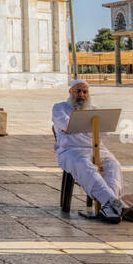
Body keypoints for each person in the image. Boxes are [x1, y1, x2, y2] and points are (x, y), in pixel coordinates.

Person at [53, 77, 126, 223]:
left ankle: (109, 206)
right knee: (86, 167)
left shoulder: (94, 110)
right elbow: (67, 125)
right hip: (71, 150)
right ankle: (113, 203)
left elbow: (103, 132)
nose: (81, 95)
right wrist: (86, 124)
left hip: (96, 148)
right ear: (70, 91)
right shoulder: (59, 107)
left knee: (113, 164)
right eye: (78, 91)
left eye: (85, 92)